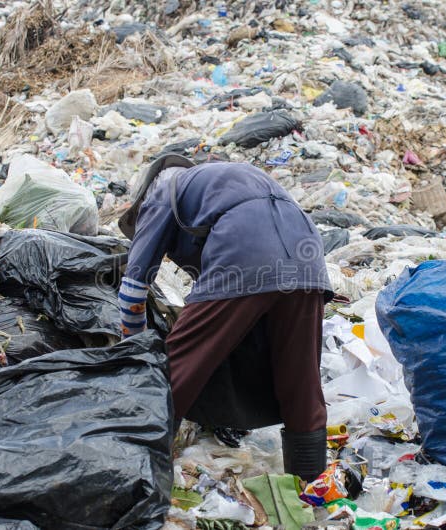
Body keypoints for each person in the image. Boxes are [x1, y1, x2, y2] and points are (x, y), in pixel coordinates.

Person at [117, 154, 332, 481]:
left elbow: (133, 288)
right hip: (307, 257)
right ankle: (311, 486)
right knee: (300, 378)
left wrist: (131, 351)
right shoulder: (221, 183)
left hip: (246, 252)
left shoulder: (162, 192)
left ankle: (135, 468)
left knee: (178, 364)